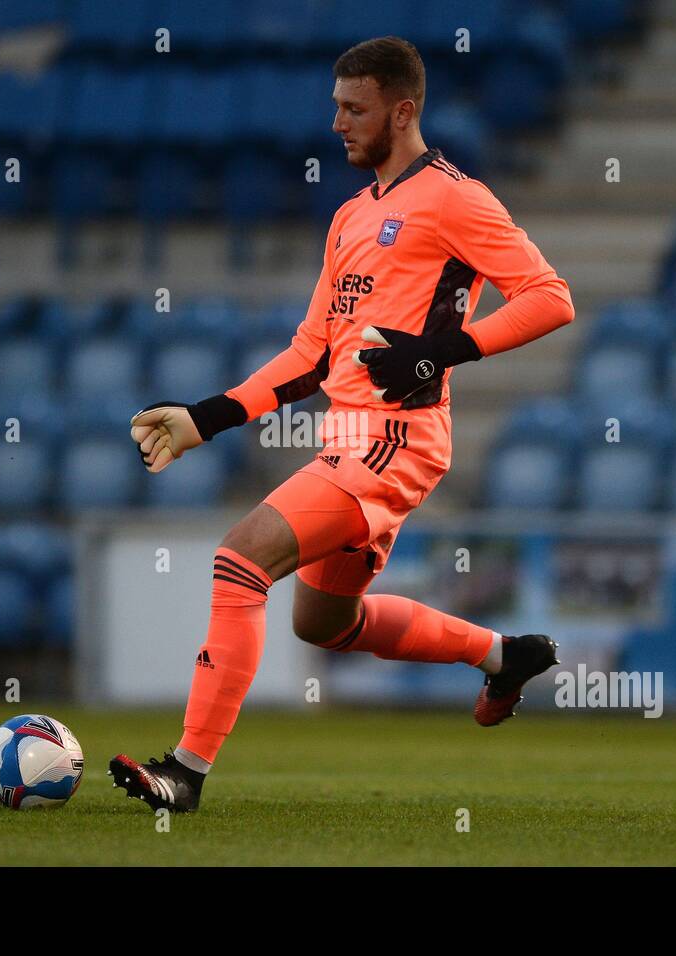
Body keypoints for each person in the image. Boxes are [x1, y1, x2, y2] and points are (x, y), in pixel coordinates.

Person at [107, 37, 575, 813]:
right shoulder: (351, 216)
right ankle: (503, 655)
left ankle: (185, 774)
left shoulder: (457, 197)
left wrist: (437, 354)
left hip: (397, 438)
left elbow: (549, 296)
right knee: (325, 624)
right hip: (347, 439)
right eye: (336, 106)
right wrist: (206, 418)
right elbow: (310, 354)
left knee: (239, 559)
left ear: (404, 111)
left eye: (354, 109)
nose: (338, 124)